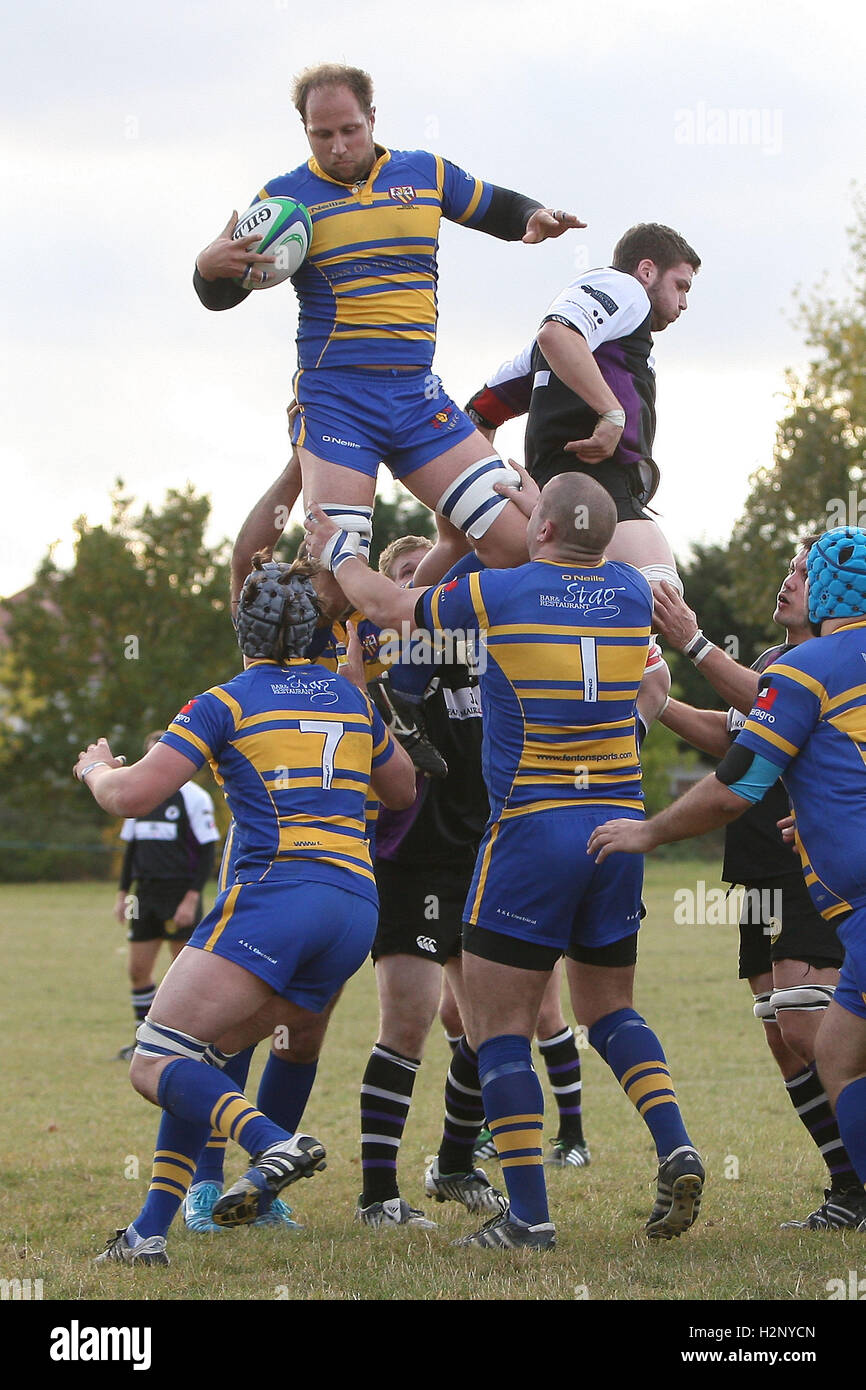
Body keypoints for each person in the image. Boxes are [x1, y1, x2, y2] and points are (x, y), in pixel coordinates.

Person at [305, 470, 704, 1250]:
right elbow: (595, 563)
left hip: (533, 829)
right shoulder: (629, 589)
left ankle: (529, 1216)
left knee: (498, 1029)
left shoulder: (504, 592)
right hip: (619, 825)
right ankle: (676, 1142)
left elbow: (390, 606)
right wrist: (537, 497)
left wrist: (339, 550)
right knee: (611, 1010)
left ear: (540, 531)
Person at [77, 555, 416, 1265]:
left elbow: (135, 795)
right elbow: (403, 790)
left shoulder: (226, 700)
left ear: (245, 630)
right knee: (203, 1056)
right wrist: (351, 692)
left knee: (152, 1059)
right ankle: (147, 1234)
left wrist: (97, 770)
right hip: (354, 908)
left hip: (275, 897)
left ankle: (273, 1143)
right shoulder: (346, 698)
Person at [194, 61, 584, 583]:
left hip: (417, 399)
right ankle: (325, 662)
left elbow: (495, 205)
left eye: (349, 130)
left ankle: (415, 652)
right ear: (304, 130)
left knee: (519, 546)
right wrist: (207, 270)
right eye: (322, 134)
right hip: (337, 403)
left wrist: (532, 216)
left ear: (372, 118)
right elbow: (223, 291)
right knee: (332, 580)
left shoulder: (424, 173)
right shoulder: (283, 201)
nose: (337, 146)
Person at [588, 526, 866, 1209]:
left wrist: (649, 831)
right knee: (805, 1043)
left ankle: (853, 1192)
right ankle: (847, 1189)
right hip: (779, 871)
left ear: (830, 589)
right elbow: (740, 731)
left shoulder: (804, 670)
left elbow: (740, 777)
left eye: (803, 570)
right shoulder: (792, 662)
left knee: (817, 1036)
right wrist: (652, 691)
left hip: (826, 884)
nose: (788, 579)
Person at [354, 534, 504, 1228]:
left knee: (490, 1025)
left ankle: (452, 1163)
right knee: (406, 1027)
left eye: (428, 573)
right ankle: (378, 1195)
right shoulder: (396, 653)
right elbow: (425, 596)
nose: (427, 585)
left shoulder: (485, 638)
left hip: (484, 853)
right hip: (413, 857)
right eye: (408, 578)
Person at [464, 223, 700, 596]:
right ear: (647, 271)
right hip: (600, 495)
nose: (684, 303)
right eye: (681, 286)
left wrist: (483, 498)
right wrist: (612, 413)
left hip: (553, 513)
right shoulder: (625, 288)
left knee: (433, 615)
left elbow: (480, 414)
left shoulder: (571, 351)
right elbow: (556, 333)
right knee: (661, 604)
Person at [114, 731, 219, 1060]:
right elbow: (131, 849)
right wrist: (122, 895)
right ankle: (140, 1040)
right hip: (143, 895)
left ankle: (188, 1045)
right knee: (137, 970)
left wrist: (191, 898)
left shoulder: (194, 797)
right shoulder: (139, 797)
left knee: (184, 974)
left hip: (179, 894)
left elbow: (206, 852)